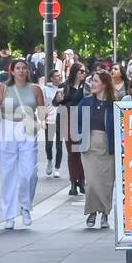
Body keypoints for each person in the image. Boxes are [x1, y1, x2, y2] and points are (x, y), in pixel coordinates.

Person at [0, 58, 44, 228]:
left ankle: (26, 206)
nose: (21, 71)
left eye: (24, 68)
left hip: (27, 128)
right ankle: (9, 215)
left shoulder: (35, 89)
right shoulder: (4, 88)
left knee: (29, 173)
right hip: (8, 128)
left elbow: (41, 111)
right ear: (12, 71)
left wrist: (42, 119)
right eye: (18, 68)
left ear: (27, 71)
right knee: (9, 173)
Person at [75, 70, 117, 228]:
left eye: (96, 81)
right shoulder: (86, 102)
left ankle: (105, 213)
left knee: (106, 183)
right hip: (89, 146)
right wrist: (80, 137)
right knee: (91, 182)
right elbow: (76, 121)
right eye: (91, 81)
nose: (92, 84)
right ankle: (92, 211)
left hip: (107, 147)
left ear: (104, 84)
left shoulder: (114, 104)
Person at [56, 63, 87, 195]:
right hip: (67, 119)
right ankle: (73, 183)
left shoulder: (87, 87)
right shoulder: (64, 86)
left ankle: (82, 180)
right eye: (81, 71)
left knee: (83, 152)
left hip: (84, 120)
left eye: (85, 71)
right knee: (72, 152)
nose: (84, 73)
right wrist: (59, 99)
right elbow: (55, 102)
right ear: (75, 72)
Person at [42, 69, 65, 177]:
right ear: (51, 78)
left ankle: (57, 168)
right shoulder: (46, 89)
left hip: (62, 118)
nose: (59, 77)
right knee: (49, 144)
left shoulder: (65, 88)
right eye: (56, 76)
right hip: (50, 119)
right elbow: (43, 104)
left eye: (60, 75)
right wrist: (42, 119)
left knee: (59, 145)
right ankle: (49, 160)